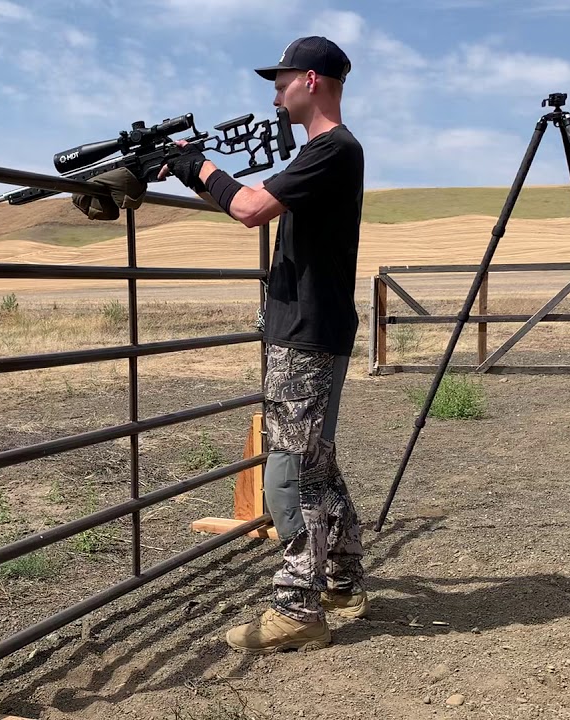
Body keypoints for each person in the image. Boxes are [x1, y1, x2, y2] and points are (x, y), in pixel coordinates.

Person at [159, 35, 369, 653]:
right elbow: (250, 205)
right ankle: (342, 579)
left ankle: (297, 611)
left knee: (288, 477)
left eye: (280, 84)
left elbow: (251, 208)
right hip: (311, 331)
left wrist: (197, 166)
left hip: (306, 337)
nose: (274, 96)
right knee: (317, 465)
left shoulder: (333, 150)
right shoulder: (327, 156)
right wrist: (189, 172)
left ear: (311, 80)